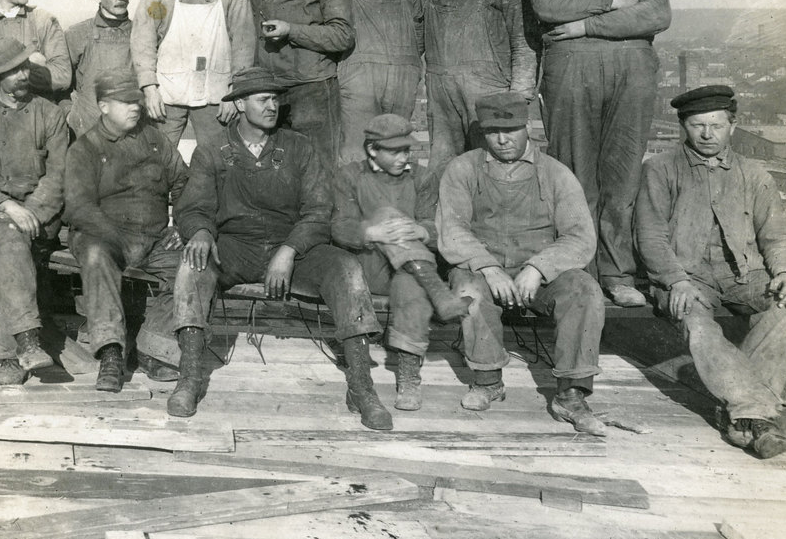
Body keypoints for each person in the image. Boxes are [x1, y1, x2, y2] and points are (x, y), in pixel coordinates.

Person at [173, 67, 393, 429]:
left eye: (275, 98)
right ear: (240, 104)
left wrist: (289, 250)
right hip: (234, 248)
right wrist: (199, 231)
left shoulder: (299, 148)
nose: (272, 106)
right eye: (263, 99)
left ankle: (361, 386)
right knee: (192, 266)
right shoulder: (213, 151)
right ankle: (190, 377)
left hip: (294, 248)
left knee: (346, 268)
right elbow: (194, 206)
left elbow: (319, 210)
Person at [636, 85, 786, 459]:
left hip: (745, 276)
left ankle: (743, 413)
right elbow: (650, 236)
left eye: (716, 125)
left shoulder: (754, 173)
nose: (707, 134)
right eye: (697, 125)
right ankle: (755, 419)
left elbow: (778, 234)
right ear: (683, 126)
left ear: (733, 124)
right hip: (686, 276)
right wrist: (675, 280)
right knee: (696, 322)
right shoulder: (661, 169)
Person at [527, 0, 672, 308]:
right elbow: (549, 7)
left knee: (622, 176)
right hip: (571, 74)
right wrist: (615, 0)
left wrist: (587, 25)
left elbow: (657, 12)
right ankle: (576, 269)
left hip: (632, 75)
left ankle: (616, 272)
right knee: (573, 175)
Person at [436, 91, 606, 435]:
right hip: (485, 271)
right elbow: (451, 229)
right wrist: (487, 266)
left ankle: (571, 394)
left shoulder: (556, 173)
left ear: (526, 126)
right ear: (483, 132)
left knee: (585, 290)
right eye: (493, 131)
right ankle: (486, 380)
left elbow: (580, 236)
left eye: (511, 130)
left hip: (539, 275)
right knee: (468, 288)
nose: (502, 139)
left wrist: (539, 268)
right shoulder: (462, 169)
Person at [59, 75, 205, 398]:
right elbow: (79, 207)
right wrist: (116, 237)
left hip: (154, 238)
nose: (135, 108)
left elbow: (184, 183)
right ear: (103, 106)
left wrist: (182, 227)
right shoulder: (86, 148)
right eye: (125, 102)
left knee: (194, 265)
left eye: (136, 101)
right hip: (102, 236)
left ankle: (152, 346)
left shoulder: (155, 140)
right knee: (97, 258)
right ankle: (111, 353)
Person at [329, 114, 470, 411]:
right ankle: (440, 293)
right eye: (394, 151)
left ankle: (408, 375)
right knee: (386, 216)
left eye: (406, 150)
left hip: (408, 273)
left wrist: (422, 230)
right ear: (372, 150)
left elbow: (434, 224)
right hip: (367, 266)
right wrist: (371, 232)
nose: (402, 157)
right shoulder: (349, 175)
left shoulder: (421, 177)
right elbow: (339, 226)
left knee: (412, 288)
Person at [0, 39, 72, 386]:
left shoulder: (51, 114)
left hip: (42, 212)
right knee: (9, 239)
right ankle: (27, 342)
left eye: (25, 67)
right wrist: (8, 206)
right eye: (14, 70)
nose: (23, 75)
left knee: (11, 246)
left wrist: (34, 212)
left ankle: (9, 356)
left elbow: (58, 175)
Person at [412, 0, 533, 166]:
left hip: (491, 93)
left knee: (493, 166)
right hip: (442, 95)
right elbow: (414, 35)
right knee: (444, 168)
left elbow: (523, 40)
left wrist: (519, 95)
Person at [130, 0, 256, 150]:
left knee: (219, 161)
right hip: (168, 94)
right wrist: (149, 88)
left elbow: (244, 41)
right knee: (158, 160)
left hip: (216, 94)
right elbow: (143, 39)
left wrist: (235, 91)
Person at [247, 0, 353, 157]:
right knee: (273, 169)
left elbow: (343, 36)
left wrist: (290, 30)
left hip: (312, 89)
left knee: (316, 169)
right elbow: (250, 18)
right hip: (269, 88)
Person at [336, 0, 425, 163]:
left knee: (396, 157)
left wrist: (408, 69)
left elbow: (418, 24)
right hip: (357, 84)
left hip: (401, 82)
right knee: (355, 159)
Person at [64, 0, 137, 136]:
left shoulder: (142, 34)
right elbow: (61, 84)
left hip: (131, 131)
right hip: (88, 132)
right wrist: (70, 114)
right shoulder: (77, 34)